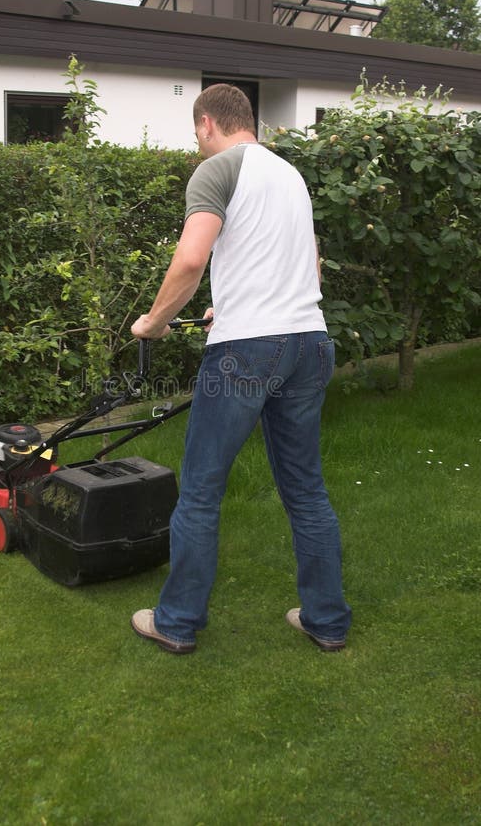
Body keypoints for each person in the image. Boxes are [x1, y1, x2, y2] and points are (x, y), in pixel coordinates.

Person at [130, 83, 351, 654]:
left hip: (248, 352)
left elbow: (190, 258)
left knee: (201, 490)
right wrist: (224, 306)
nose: (198, 141)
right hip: (309, 342)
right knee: (306, 490)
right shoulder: (290, 176)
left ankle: (175, 623)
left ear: (207, 123)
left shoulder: (216, 170)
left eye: (195, 132)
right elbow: (309, 267)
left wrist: (153, 322)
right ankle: (326, 620)